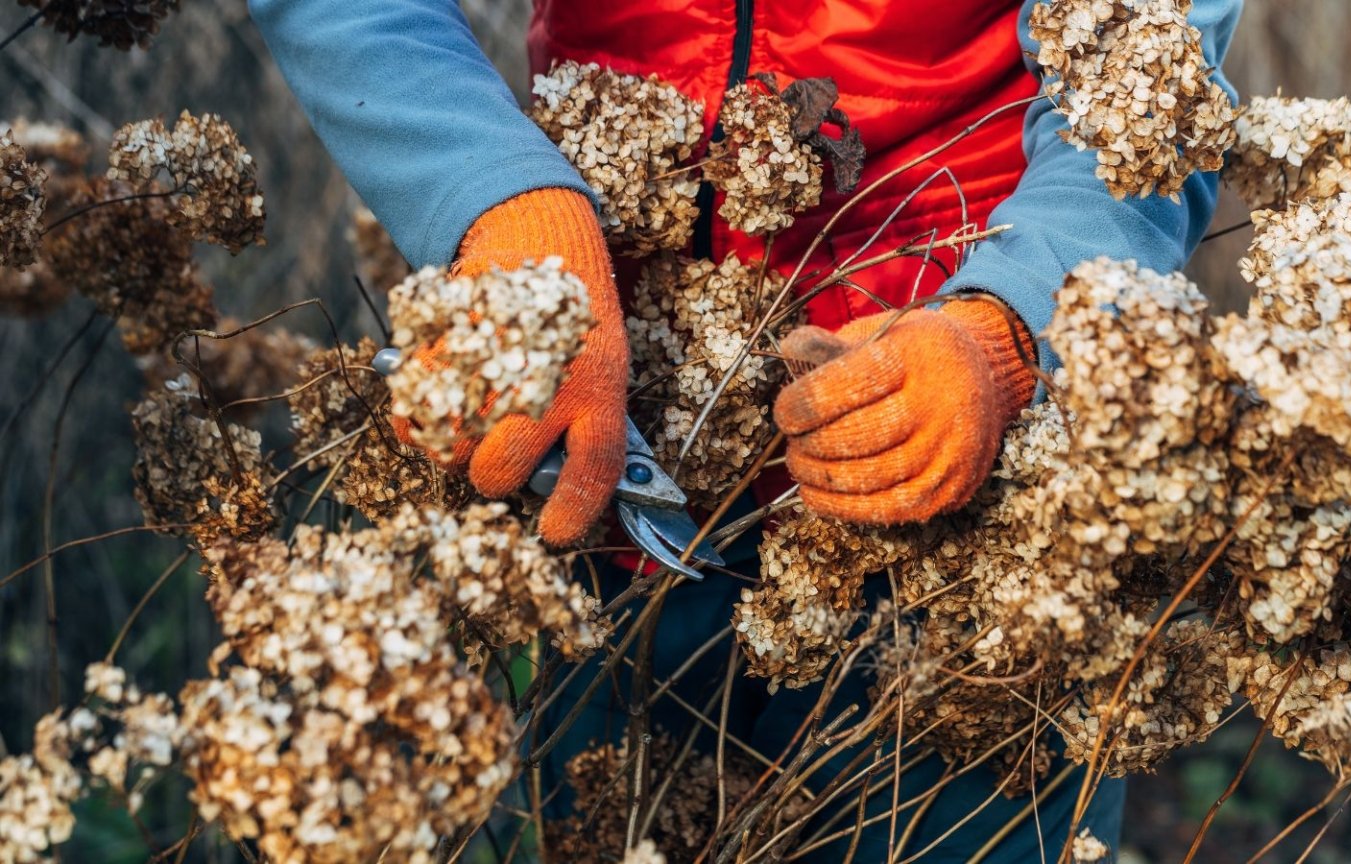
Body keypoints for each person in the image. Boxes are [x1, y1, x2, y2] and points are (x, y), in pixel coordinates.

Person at [249, 0, 1241, 858]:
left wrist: (1020, 319)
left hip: (968, 504)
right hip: (611, 456)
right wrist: (493, 198)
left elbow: (1156, 63)